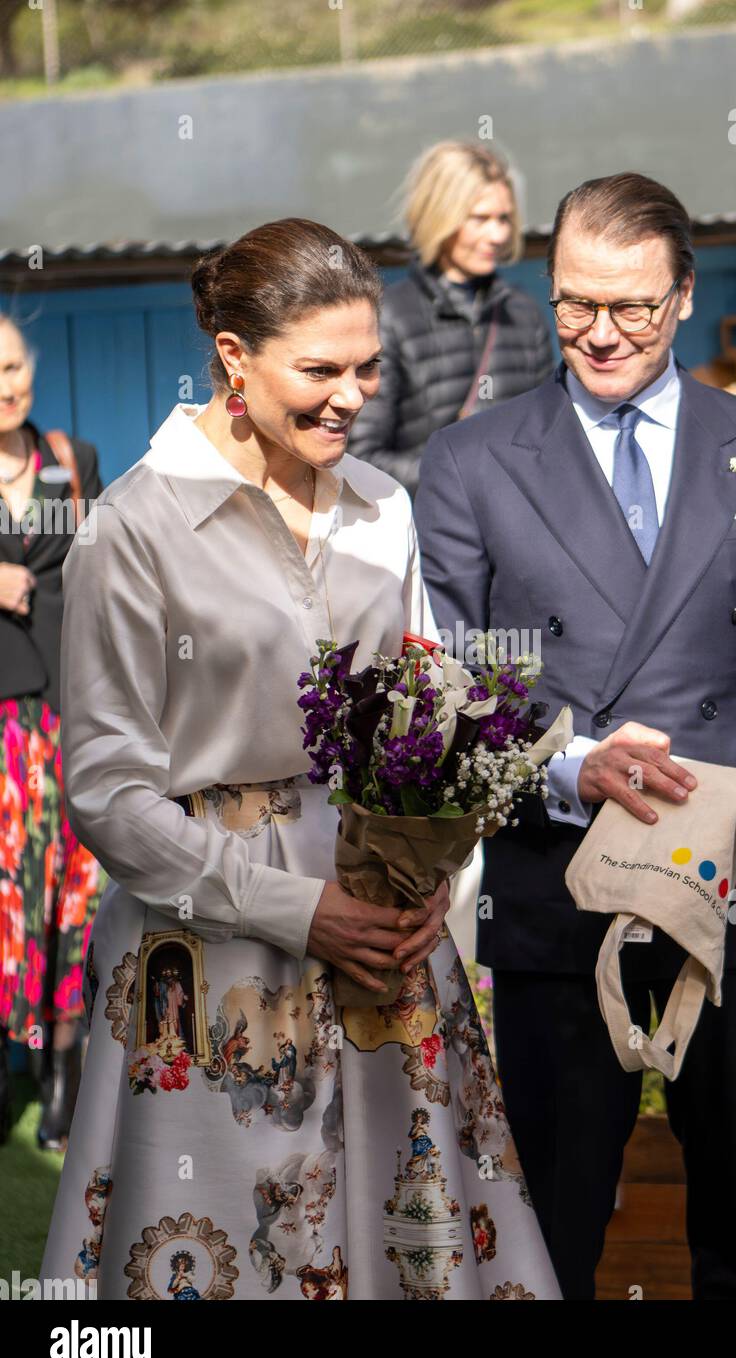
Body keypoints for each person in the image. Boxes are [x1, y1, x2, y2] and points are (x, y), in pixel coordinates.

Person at [40, 218, 560, 1302]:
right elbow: (106, 790)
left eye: (368, 367)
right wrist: (293, 908)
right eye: (320, 370)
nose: (353, 396)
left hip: (388, 940)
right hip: (211, 965)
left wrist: (435, 887)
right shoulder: (131, 529)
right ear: (233, 357)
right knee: (223, 1252)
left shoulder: (386, 508)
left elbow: (429, 721)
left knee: (403, 1246)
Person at [415, 173, 736, 1300]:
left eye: (634, 309)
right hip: (559, 896)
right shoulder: (470, 464)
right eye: (574, 304)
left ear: (686, 296)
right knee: (549, 1235)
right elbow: (453, 686)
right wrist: (570, 764)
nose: (600, 334)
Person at [0, 313, 106, 1151]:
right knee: (7, 898)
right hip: (1, 725)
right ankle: (15, 1065)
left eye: (14, 366)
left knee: (73, 893)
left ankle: (62, 1071)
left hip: (70, 714)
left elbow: (108, 571)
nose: (9, 385)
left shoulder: (72, 464)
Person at [346, 141, 555, 497]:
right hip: (432, 536)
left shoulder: (523, 314)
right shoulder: (389, 318)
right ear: (440, 217)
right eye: (480, 219)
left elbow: (549, 437)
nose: (498, 235)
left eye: (503, 218)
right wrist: (468, 472)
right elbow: (361, 459)